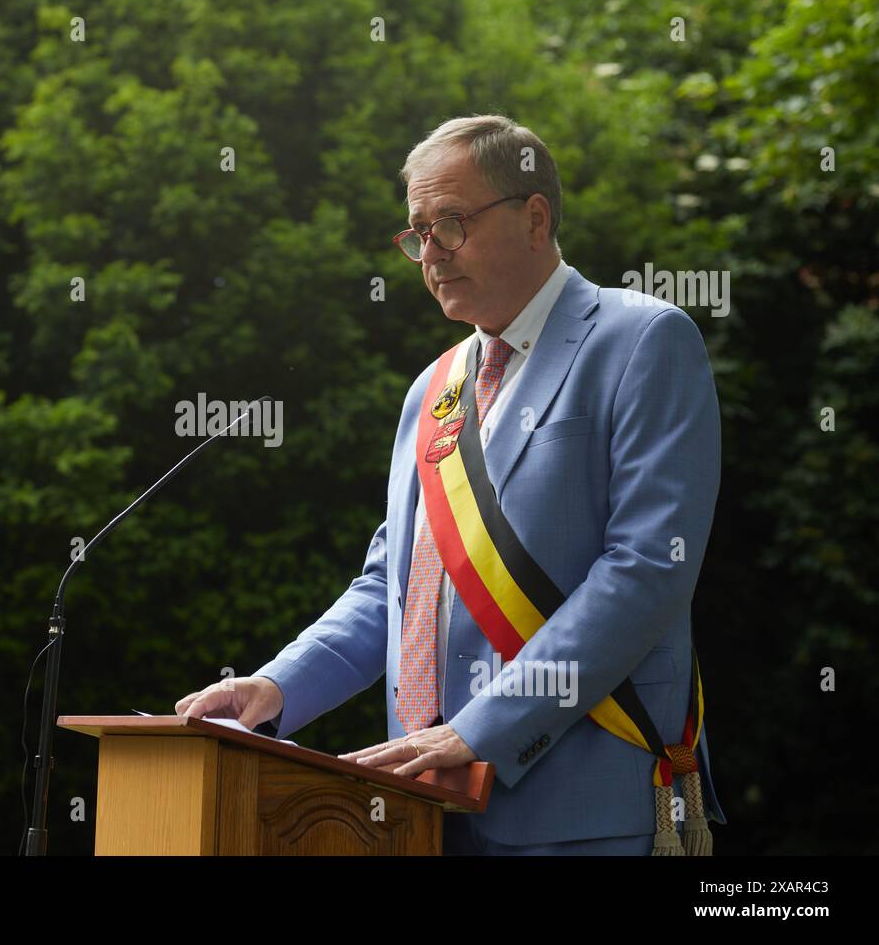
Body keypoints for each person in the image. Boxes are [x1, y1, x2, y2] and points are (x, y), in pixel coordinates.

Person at [175, 115, 726, 855]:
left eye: (452, 224)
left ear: (534, 217)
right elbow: (389, 588)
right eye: (417, 232)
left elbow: (647, 570)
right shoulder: (433, 388)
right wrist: (276, 690)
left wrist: (481, 729)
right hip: (419, 811)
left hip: (583, 811)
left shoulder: (642, 340)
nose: (429, 253)